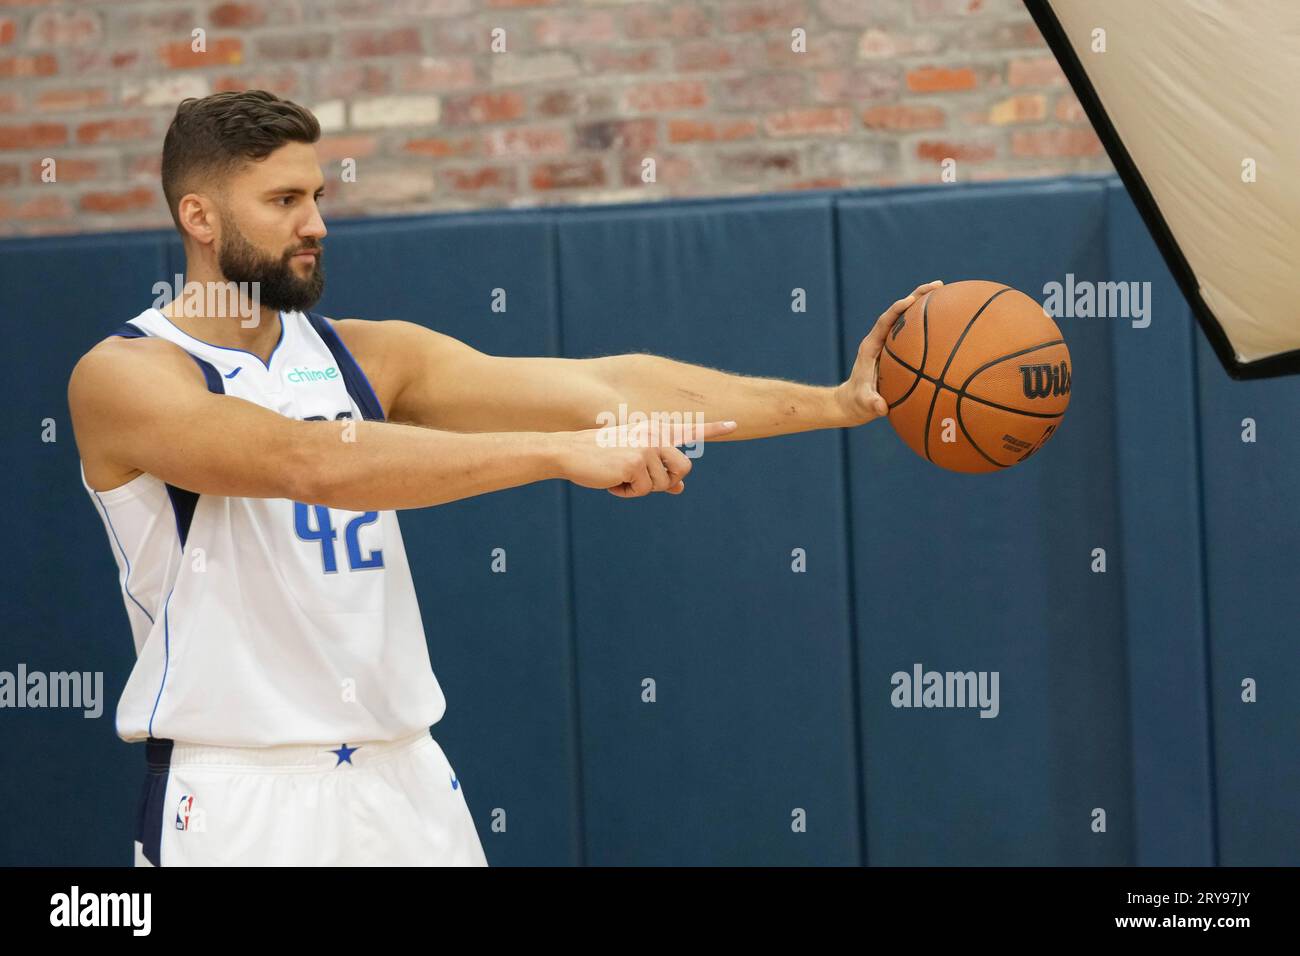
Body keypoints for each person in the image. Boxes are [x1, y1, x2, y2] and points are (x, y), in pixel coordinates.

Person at [66, 89, 941, 866]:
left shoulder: (361, 353)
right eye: (285, 200)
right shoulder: (128, 376)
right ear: (200, 217)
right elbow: (312, 462)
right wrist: (555, 456)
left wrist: (836, 401)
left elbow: (606, 386)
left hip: (406, 772)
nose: (316, 223)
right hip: (239, 798)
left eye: (319, 196)